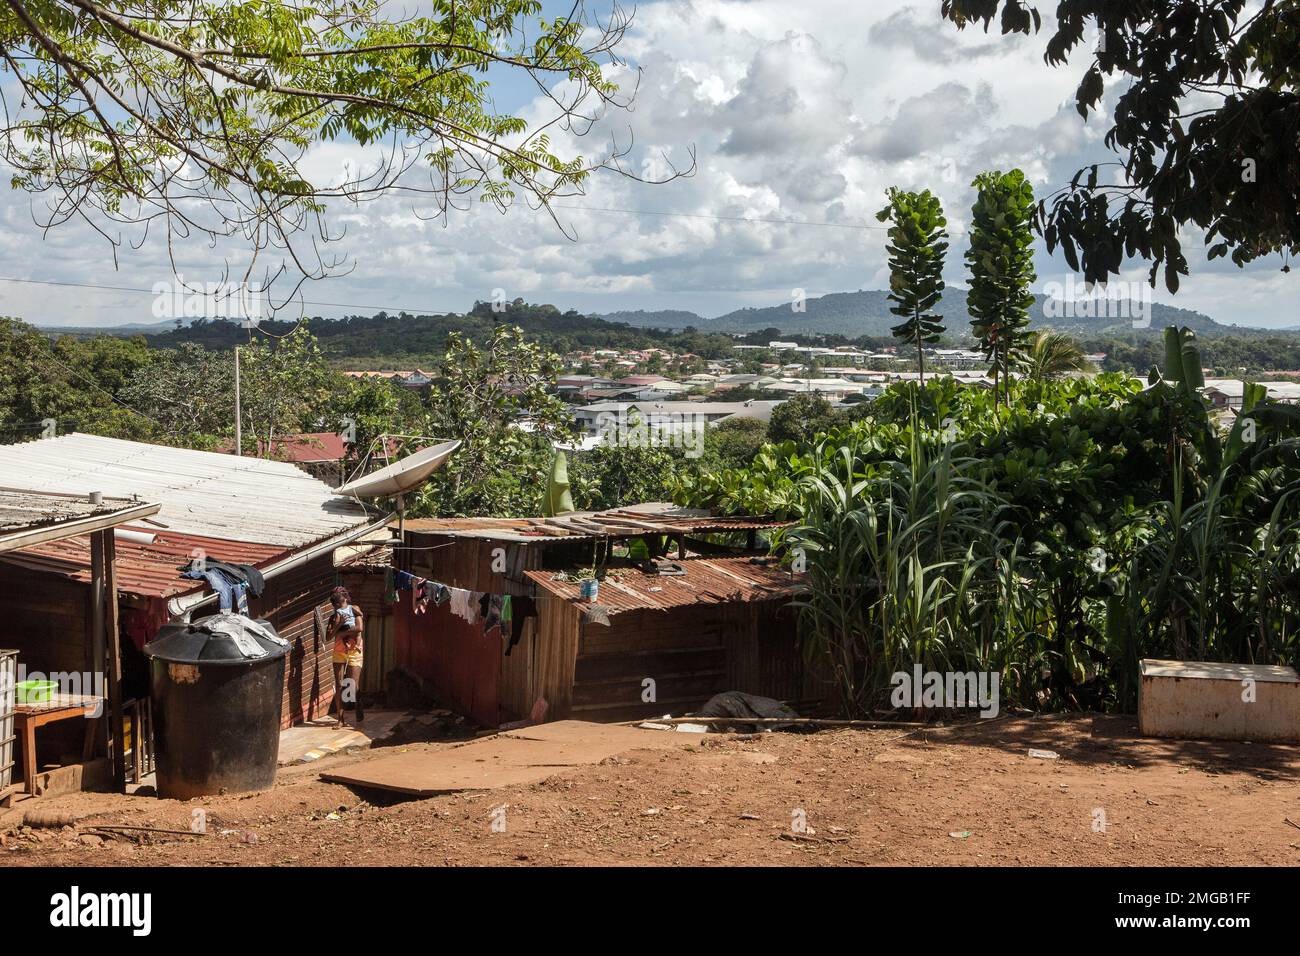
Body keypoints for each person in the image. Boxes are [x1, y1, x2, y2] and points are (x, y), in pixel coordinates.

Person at [328, 586, 365, 727]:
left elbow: (359, 628)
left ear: (344, 598)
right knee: (339, 685)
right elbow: (329, 636)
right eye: (334, 602)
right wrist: (339, 625)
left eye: (338, 600)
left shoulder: (354, 608)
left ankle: (358, 705)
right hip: (339, 650)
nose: (336, 604)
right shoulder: (334, 616)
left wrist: (342, 633)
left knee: (352, 685)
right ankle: (340, 719)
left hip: (355, 649)